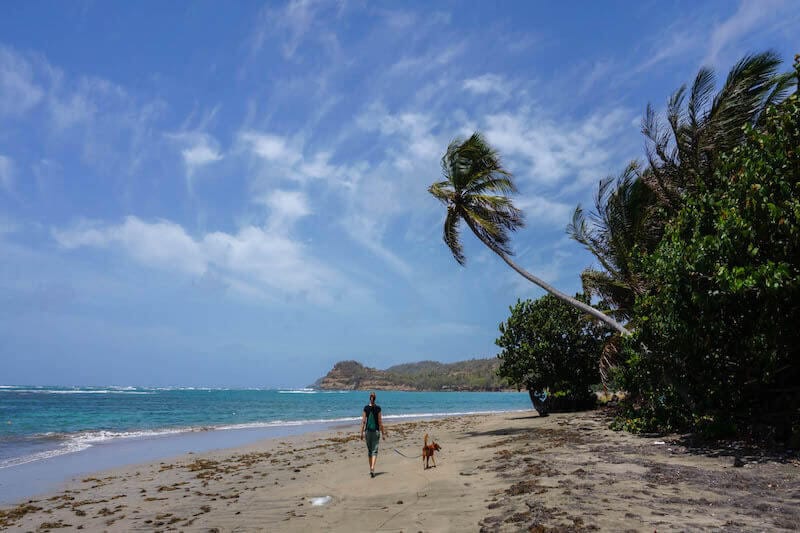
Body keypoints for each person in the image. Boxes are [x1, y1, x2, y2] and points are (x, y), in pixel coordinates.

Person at [360, 391, 387, 478]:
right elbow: (380, 422)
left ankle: (371, 468)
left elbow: (363, 421)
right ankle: (372, 467)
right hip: (375, 432)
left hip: (368, 432)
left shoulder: (365, 408)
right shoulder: (378, 408)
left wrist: (361, 433)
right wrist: (383, 433)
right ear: (375, 398)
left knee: (369, 451)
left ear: (370, 398)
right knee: (374, 451)